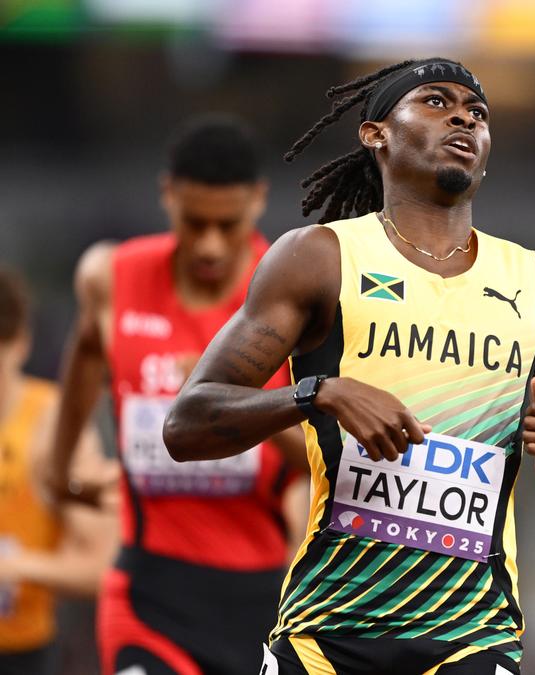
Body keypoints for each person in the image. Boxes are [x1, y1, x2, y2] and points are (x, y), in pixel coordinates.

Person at [163, 57, 535, 675]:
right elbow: (186, 424)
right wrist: (318, 392)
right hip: (328, 633)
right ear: (375, 133)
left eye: (477, 113)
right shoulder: (319, 259)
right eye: (434, 102)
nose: (462, 117)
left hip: (471, 635)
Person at [44, 115, 308, 675]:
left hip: (264, 598)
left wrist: (237, 402)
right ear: (167, 194)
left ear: (258, 200)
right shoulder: (110, 276)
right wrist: (60, 469)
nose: (210, 244)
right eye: (194, 222)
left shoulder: (291, 296)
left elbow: (318, 453)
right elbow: (87, 354)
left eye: (228, 224)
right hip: (148, 593)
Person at [0, 268, 118, 675]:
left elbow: (103, 565)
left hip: (21, 655)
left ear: (18, 344)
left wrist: (16, 566)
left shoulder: (51, 427)